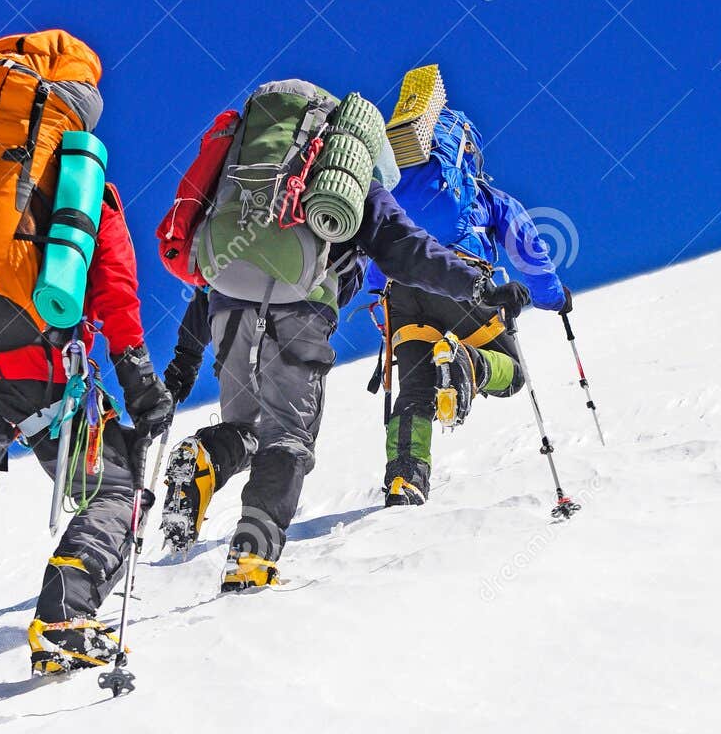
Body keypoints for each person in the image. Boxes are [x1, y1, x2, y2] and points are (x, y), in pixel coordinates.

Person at [154, 80, 522, 592]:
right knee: (288, 435)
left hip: (225, 307)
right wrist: (474, 283)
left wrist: (184, 359)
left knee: (247, 424)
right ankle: (251, 559)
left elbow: (208, 275)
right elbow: (402, 248)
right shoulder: (344, 176)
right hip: (301, 308)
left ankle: (206, 457)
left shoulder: (246, 180)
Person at [0, 182, 172, 717]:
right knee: (117, 488)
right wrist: (138, 379)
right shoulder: (82, 187)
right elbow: (114, 285)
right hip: (48, 375)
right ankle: (67, 611)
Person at [370, 105, 571, 506]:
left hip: (402, 297)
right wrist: (554, 297)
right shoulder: (483, 196)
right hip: (461, 281)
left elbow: (374, 264)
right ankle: (469, 364)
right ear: (467, 152)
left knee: (415, 390)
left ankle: (405, 481)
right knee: (512, 373)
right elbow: (527, 250)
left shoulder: (390, 195)